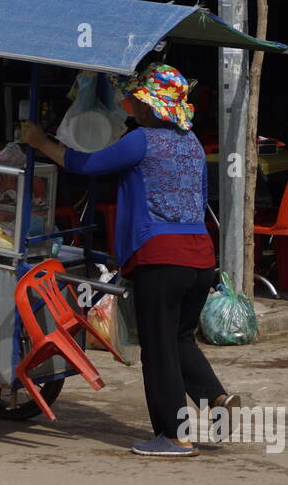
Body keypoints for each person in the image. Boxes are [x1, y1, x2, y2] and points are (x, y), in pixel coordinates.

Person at [21, 63, 239, 458]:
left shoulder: (143, 140)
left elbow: (84, 165)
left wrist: (40, 142)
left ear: (152, 108)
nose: (132, 105)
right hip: (201, 258)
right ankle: (216, 399)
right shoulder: (190, 142)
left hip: (161, 256)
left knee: (157, 349)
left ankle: (175, 436)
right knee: (180, 338)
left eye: (139, 100)